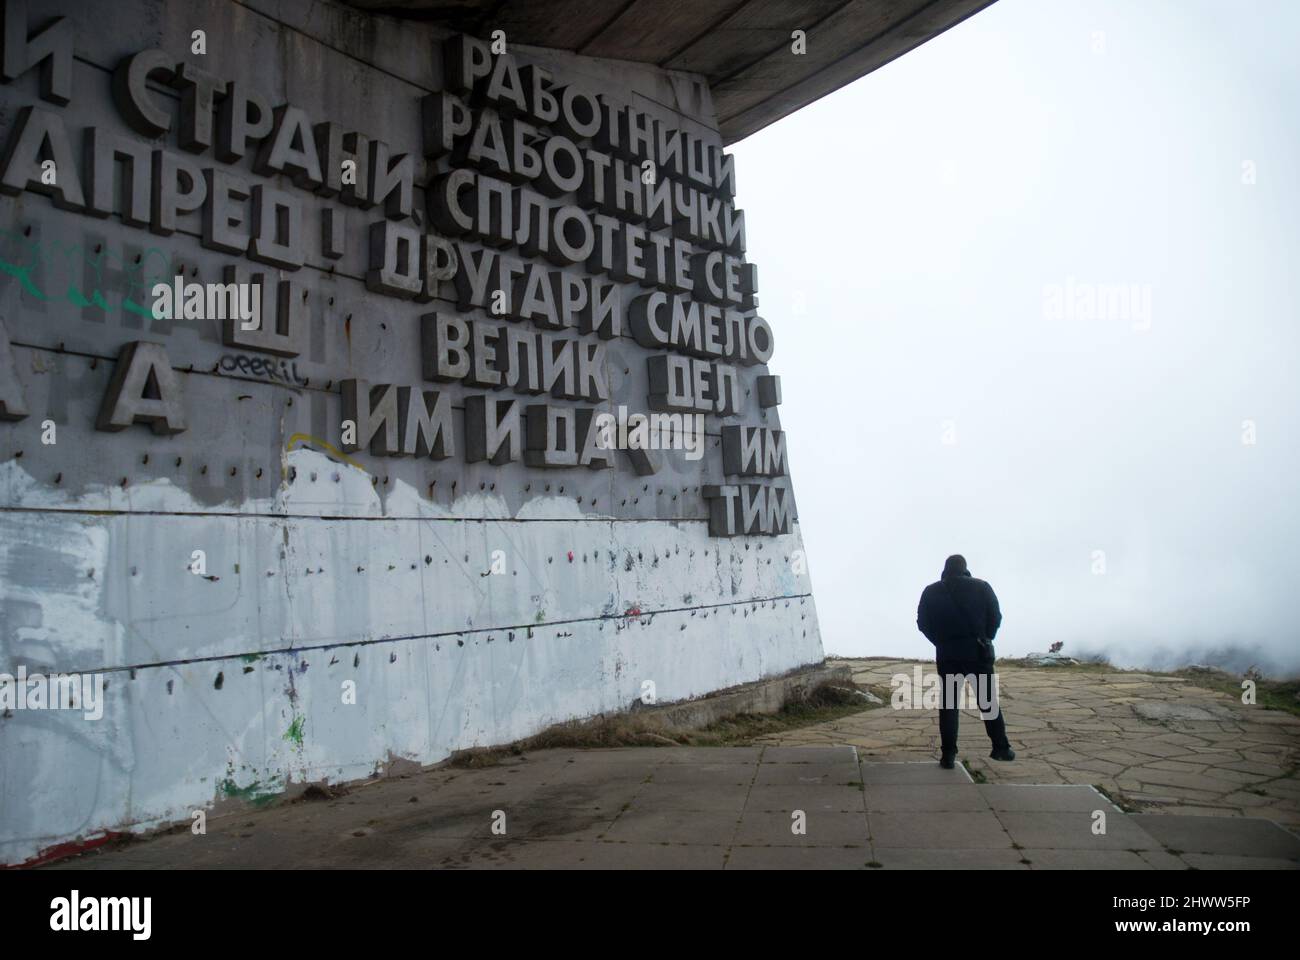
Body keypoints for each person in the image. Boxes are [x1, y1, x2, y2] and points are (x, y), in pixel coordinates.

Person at [916, 555, 1015, 768]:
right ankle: (1001, 748)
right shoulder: (982, 587)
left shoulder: (930, 591)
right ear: (965, 568)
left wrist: (940, 642)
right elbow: (995, 617)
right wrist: (985, 638)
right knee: (988, 701)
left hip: (947, 654)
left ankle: (948, 756)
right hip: (977, 653)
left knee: (949, 705)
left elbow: (922, 623)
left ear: (945, 568)